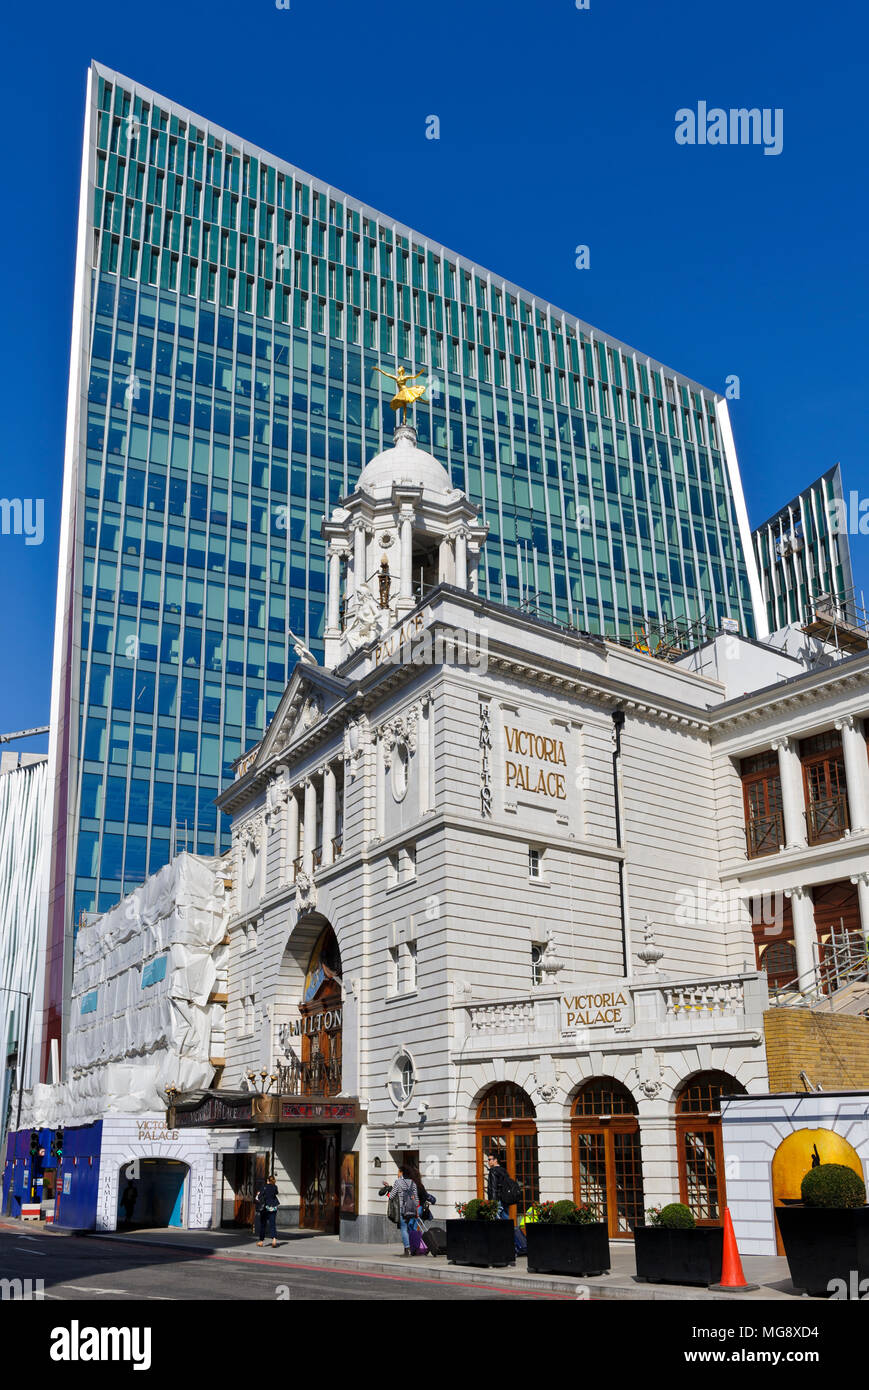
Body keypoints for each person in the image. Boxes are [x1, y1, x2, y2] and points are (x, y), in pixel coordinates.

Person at [486, 1154, 527, 1254]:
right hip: (505, 1200)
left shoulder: (493, 1171)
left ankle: (512, 1246)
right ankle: (520, 1245)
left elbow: (493, 1189)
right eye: (488, 1159)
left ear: (496, 1160)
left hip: (498, 1201)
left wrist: (493, 1203)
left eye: (490, 1159)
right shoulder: (503, 1171)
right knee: (507, 1222)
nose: (488, 1161)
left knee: (502, 1224)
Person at [388, 1164, 420, 1257]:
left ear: (402, 1173)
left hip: (402, 1209)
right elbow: (416, 1199)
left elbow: (392, 1196)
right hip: (412, 1210)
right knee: (410, 1228)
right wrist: (416, 1209)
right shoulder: (413, 1183)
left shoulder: (398, 1182)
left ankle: (407, 1249)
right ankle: (413, 1247)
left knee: (403, 1228)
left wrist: (388, 1194)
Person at [255, 1173, 280, 1248]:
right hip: (273, 1207)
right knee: (272, 1224)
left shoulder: (264, 1187)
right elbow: (276, 1193)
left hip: (265, 1208)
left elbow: (259, 1197)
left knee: (263, 1225)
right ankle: (274, 1240)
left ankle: (261, 1241)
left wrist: (258, 1193)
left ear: (267, 1180)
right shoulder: (275, 1187)